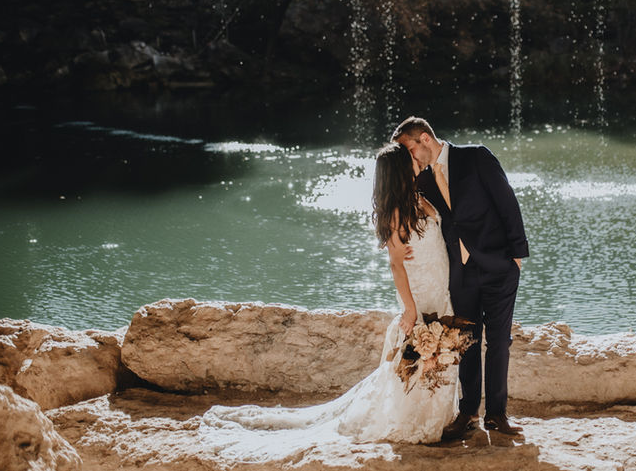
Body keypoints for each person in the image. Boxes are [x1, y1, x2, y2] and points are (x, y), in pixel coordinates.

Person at [199, 142, 458, 461]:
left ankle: (437, 417)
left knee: (444, 350)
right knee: (420, 352)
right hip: (420, 293)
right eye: (409, 160)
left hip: (440, 288)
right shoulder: (396, 212)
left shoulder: (420, 197)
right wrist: (409, 308)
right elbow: (396, 264)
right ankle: (414, 421)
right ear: (399, 172)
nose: (416, 161)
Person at [392, 116, 528, 440]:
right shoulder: (421, 181)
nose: (409, 158)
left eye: (409, 149)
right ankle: (468, 413)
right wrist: (401, 248)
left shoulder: (476, 156)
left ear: (425, 138)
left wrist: (517, 257)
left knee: (499, 342)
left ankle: (497, 414)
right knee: (467, 342)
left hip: (498, 266)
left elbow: (507, 203)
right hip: (460, 273)